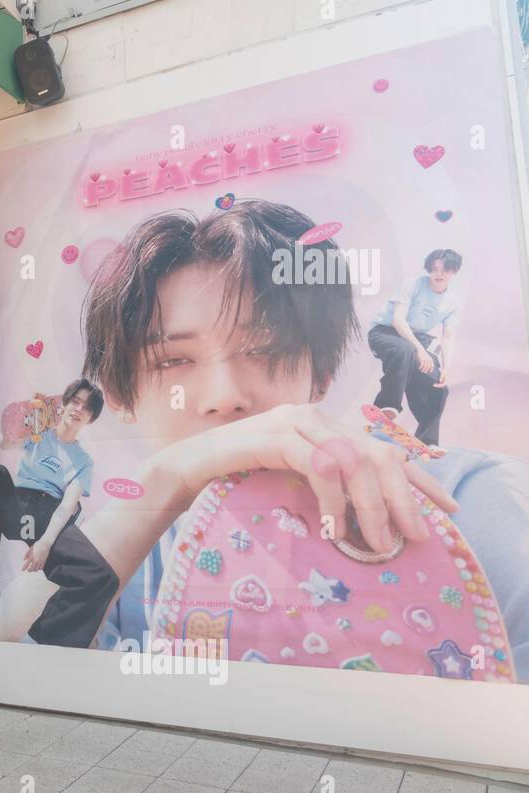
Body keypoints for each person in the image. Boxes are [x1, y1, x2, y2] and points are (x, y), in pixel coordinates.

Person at [67, 200, 528, 682]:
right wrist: (168, 479)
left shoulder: (468, 498)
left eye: (264, 349)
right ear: (122, 393)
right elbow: (12, 662)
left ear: (322, 373)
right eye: (172, 360)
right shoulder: (129, 543)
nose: (224, 398)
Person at [0, 379, 105, 647]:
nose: (78, 409)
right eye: (75, 401)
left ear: (90, 418)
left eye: (86, 407)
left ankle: (37, 639)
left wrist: (45, 543)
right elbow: (4, 443)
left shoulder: (84, 461)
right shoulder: (38, 432)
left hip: (48, 512)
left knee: (98, 577)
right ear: (63, 404)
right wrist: (23, 422)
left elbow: (67, 505)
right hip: (17, 505)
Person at [367, 249, 463, 448]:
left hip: (417, 340)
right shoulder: (413, 285)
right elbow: (398, 320)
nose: (439, 274)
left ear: (454, 271)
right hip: (386, 332)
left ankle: (427, 440)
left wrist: (446, 367)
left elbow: (448, 337)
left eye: (445, 270)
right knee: (406, 351)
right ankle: (386, 405)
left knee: (439, 386)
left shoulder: (453, 301)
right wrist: (419, 350)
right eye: (434, 269)